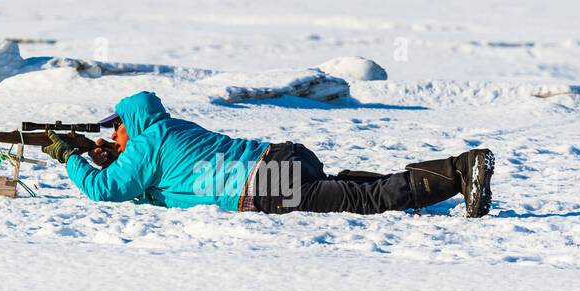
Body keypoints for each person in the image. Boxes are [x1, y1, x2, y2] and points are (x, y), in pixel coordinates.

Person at [42, 91, 493, 218]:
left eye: (114, 130)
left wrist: (70, 157)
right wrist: (111, 156)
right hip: (281, 157)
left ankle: (460, 171)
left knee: (362, 201)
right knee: (346, 187)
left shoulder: (143, 144)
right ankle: (453, 171)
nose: (112, 137)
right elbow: (151, 178)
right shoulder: (165, 129)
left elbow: (107, 191)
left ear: (127, 125)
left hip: (263, 184)